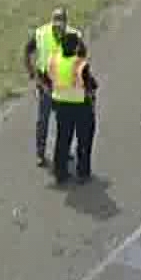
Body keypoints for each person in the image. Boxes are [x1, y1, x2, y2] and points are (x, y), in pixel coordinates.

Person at [23, 7, 76, 167]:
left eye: (61, 23)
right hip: (46, 84)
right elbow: (27, 51)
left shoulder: (73, 36)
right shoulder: (41, 34)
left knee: (65, 120)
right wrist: (32, 73)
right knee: (43, 120)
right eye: (56, 22)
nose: (58, 26)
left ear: (66, 23)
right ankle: (41, 153)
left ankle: (64, 151)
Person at [48, 30, 99, 184]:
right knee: (84, 139)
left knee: (62, 139)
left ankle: (60, 171)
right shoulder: (79, 64)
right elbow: (91, 84)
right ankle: (83, 172)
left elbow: (47, 77)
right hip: (80, 105)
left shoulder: (55, 61)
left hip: (61, 105)